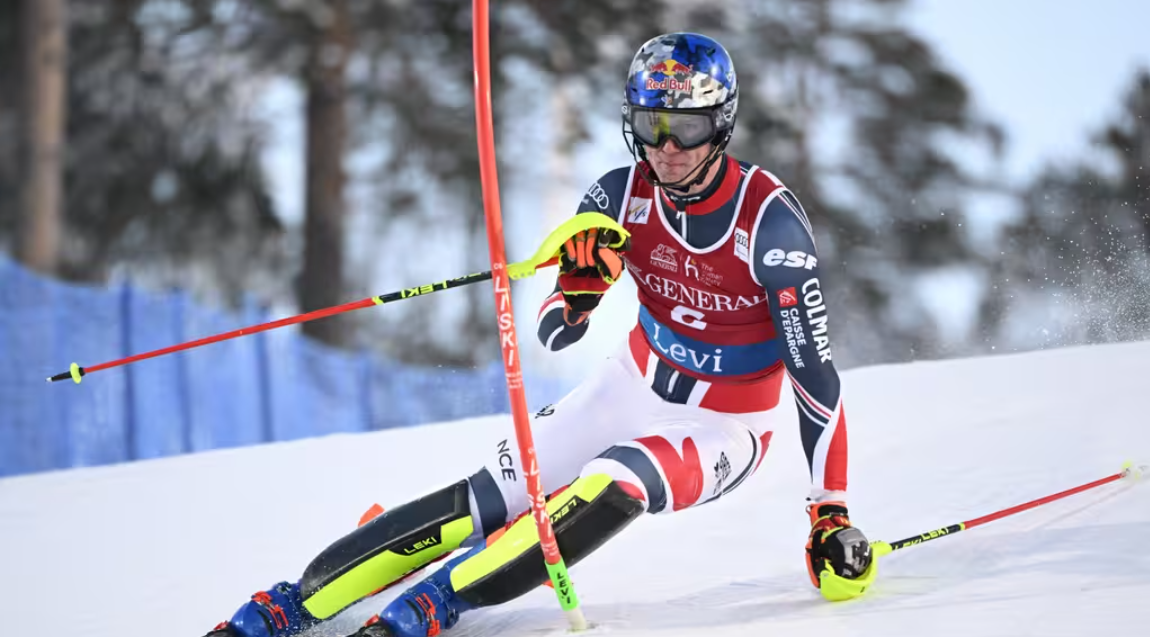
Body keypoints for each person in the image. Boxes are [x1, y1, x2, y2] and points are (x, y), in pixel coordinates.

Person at [203, 32, 874, 637]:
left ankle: (432, 604)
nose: (668, 148)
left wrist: (830, 512)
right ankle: (288, 606)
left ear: (721, 124)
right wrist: (578, 297)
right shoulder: (617, 197)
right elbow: (554, 331)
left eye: (687, 128)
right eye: (652, 125)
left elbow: (814, 375)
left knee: (619, 477)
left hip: (723, 425)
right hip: (630, 384)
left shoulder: (769, 223)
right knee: (487, 498)